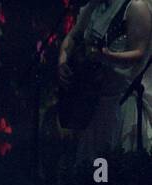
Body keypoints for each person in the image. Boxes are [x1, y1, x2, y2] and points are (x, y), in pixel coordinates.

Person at [60, 0, 152, 163]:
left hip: (123, 102)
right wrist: (62, 59)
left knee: (120, 166)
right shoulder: (93, 7)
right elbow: (73, 35)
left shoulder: (136, 6)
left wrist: (105, 56)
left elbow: (139, 52)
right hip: (95, 101)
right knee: (95, 173)